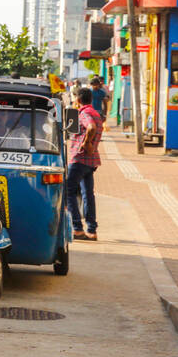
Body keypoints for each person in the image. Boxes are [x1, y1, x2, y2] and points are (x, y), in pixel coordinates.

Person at [65, 86, 103, 241]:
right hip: (91, 160)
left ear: (78, 100)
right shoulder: (96, 113)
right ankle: (91, 230)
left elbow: (91, 127)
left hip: (79, 158)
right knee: (88, 193)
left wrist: (86, 143)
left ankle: (77, 228)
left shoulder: (85, 113)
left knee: (68, 191)